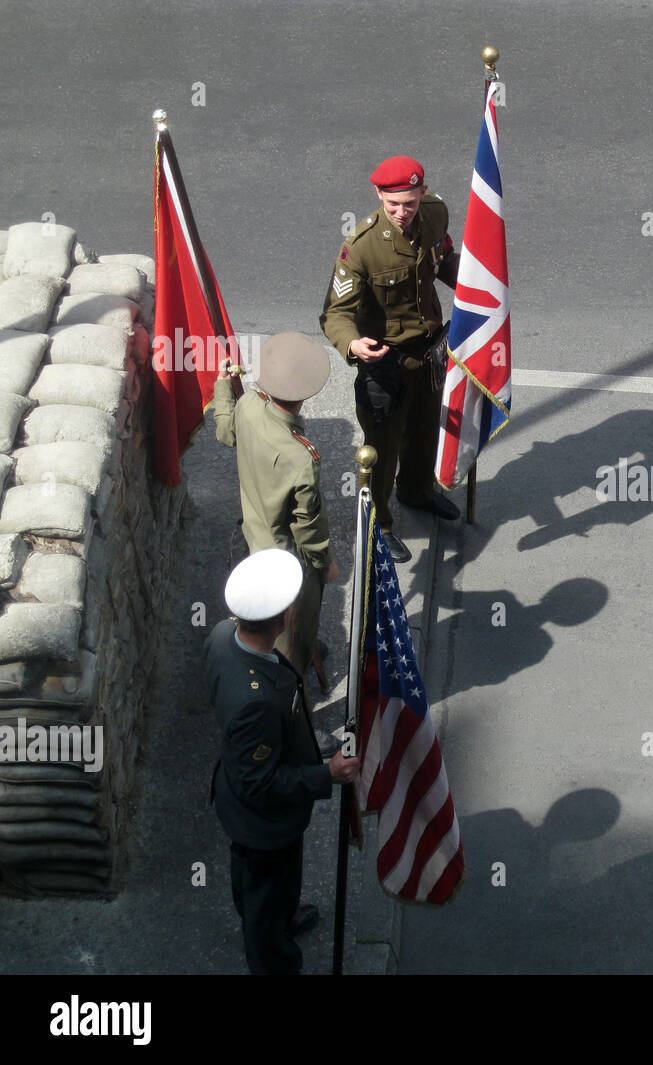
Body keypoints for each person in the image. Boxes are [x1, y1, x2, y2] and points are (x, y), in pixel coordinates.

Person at [205, 548, 360, 975]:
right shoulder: (255, 700)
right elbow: (261, 783)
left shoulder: (221, 634)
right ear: (283, 619)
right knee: (264, 902)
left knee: (269, 885)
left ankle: (277, 918)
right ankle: (272, 953)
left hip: (249, 809)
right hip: (263, 823)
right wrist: (325, 774)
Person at [319, 154, 461, 564]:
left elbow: (442, 260)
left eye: (410, 202)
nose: (402, 212)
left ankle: (417, 492)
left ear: (422, 193)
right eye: (393, 203)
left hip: (428, 352)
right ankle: (379, 524)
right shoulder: (361, 248)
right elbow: (336, 313)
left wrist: (480, 282)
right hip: (386, 362)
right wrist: (352, 345)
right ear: (378, 194)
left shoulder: (435, 214)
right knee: (380, 450)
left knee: (423, 435)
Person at [213, 331, 338, 678]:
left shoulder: (249, 405)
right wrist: (325, 563)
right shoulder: (301, 458)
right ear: (303, 395)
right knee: (293, 634)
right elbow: (308, 527)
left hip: (253, 535)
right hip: (287, 561)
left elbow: (226, 432)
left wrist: (224, 387)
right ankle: (291, 678)